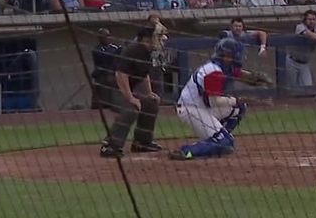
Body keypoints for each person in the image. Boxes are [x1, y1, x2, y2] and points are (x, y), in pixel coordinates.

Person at [168, 38, 262, 160]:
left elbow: (239, 73)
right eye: (235, 53)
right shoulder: (214, 72)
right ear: (227, 56)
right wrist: (237, 100)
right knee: (226, 144)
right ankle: (187, 151)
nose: (239, 56)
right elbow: (214, 102)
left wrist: (255, 78)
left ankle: (219, 136)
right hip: (191, 110)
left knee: (239, 108)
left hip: (203, 106)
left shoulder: (222, 66)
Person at [100, 25, 167, 158]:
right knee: (131, 109)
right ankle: (110, 145)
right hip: (112, 89)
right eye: (158, 37)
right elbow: (120, 75)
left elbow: (144, 74)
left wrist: (149, 93)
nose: (162, 40)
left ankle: (142, 142)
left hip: (124, 88)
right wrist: (130, 98)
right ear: (147, 39)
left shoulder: (147, 51)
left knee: (150, 103)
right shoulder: (135, 49)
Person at [90, 28, 121, 109]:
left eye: (108, 35)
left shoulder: (116, 47)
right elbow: (105, 58)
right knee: (102, 83)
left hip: (115, 74)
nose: (107, 38)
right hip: (102, 74)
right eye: (104, 36)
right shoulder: (96, 49)